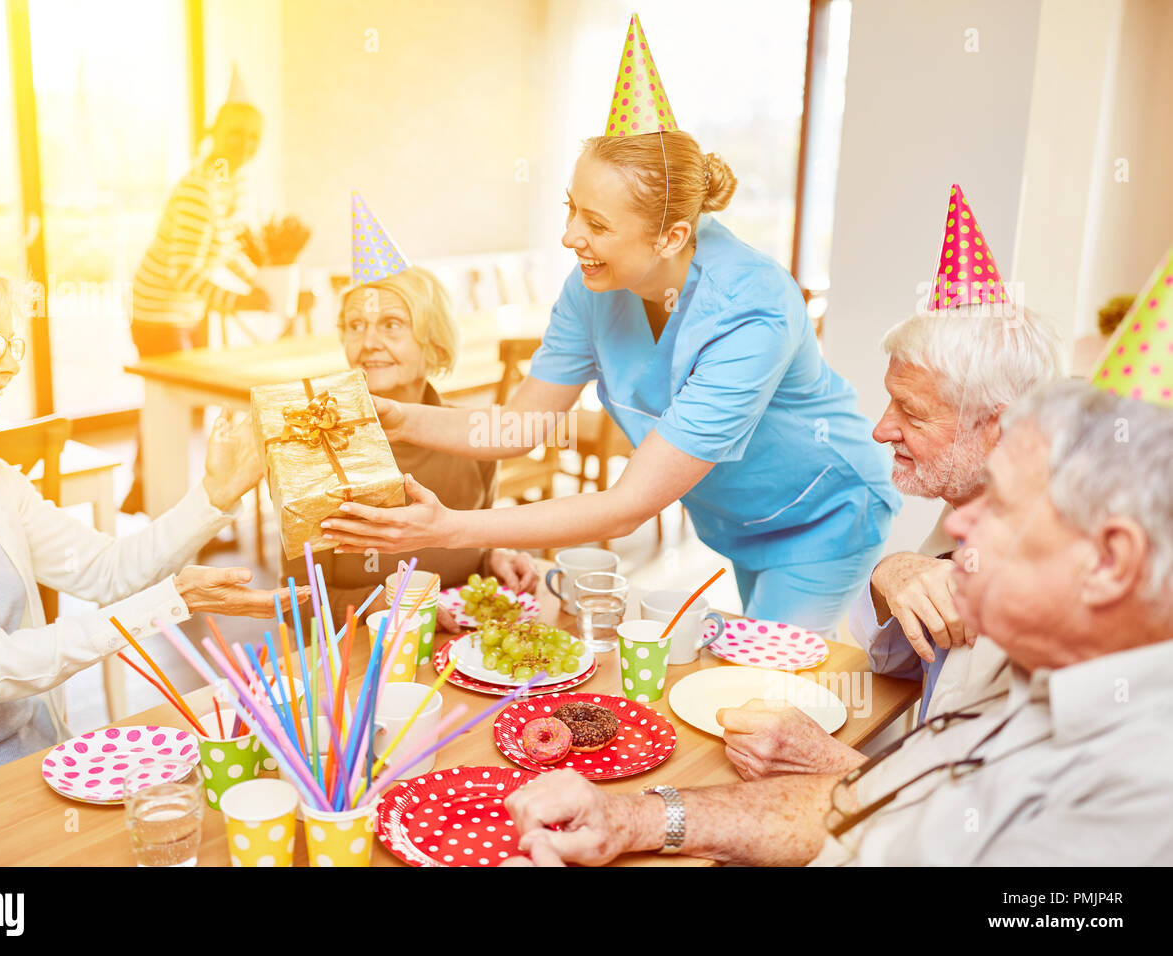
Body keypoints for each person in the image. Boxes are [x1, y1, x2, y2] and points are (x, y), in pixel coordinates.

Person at [315, 18, 898, 635]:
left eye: (595, 223)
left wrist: (453, 528)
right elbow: (521, 425)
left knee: (768, 693)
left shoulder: (753, 310)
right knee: (752, 677)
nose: (570, 237)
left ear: (672, 235)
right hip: (735, 518)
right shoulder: (593, 288)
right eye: (571, 209)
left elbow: (625, 509)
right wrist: (404, 419)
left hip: (820, 517)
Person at [503, 368, 1173, 866]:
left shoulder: (1141, 797)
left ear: (1111, 559)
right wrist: (638, 819)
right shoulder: (1039, 680)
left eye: (998, 504)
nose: (962, 523)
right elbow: (858, 800)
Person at [0, 158, 302, 814]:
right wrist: (167, 604)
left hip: (44, 764)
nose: (6, 366)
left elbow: (104, 572)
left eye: (12, 345)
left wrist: (214, 495)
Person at [723, 300, 1063, 779]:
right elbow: (897, 660)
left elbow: (981, 820)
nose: (882, 430)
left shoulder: (1056, 599)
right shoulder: (975, 498)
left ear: (999, 428)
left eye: (912, 412)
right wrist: (893, 573)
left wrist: (829, 763)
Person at [282, 196, 536, 629]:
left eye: (391, 325)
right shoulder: (313, 454)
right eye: (356, 326)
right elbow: (296, 606)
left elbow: (470, 544)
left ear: (433, 344)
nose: (369, 343)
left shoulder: (475, 437)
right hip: (364, 666)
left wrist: (494, 558)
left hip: (462, 656)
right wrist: (383, 604)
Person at [122, 69, 269, 514]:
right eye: (235, 134)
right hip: (158, 310)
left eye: (252, 137)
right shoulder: (198, 191)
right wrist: (240, 299)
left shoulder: (232, 184)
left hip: (188, 309)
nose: (244, 145)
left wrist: (260, 280)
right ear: (214, 134)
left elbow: (221, 248)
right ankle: (155, 499)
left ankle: (161, 497)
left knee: (189, 407)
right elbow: (183, 270)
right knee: (170, 402)